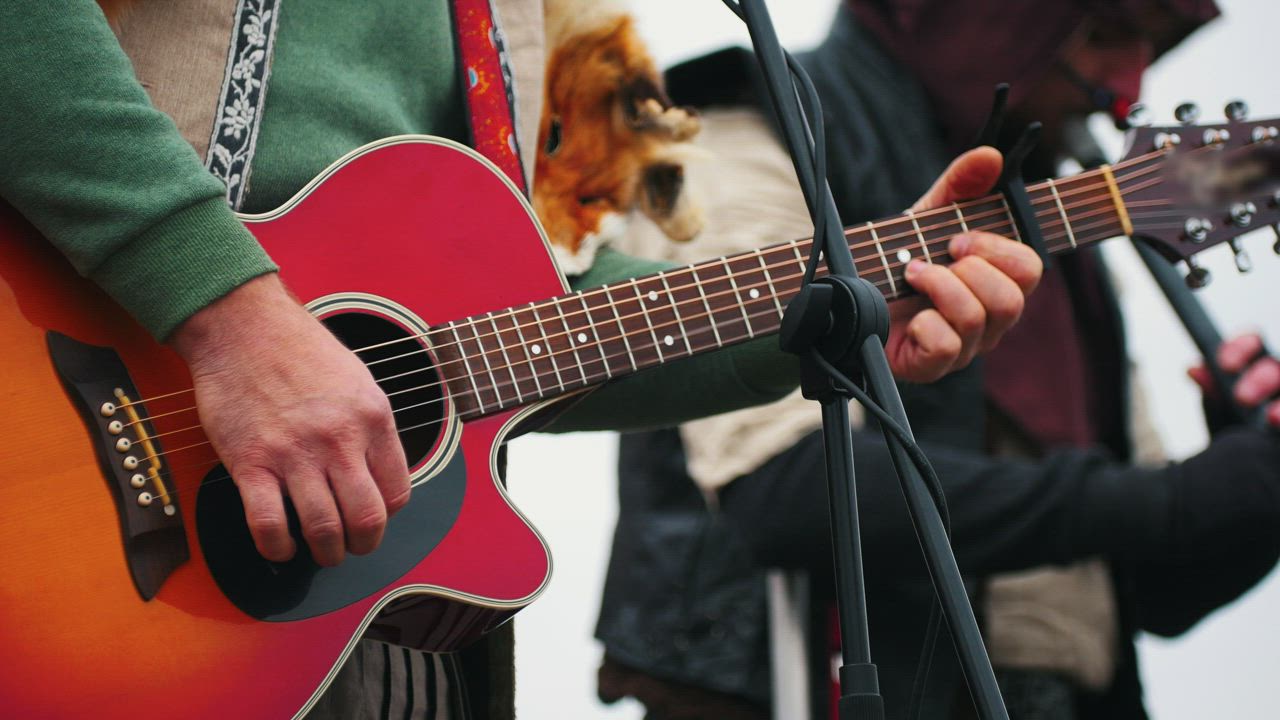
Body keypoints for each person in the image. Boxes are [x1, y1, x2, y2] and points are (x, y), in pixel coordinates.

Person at [0, 1, 1040, 718]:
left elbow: (518, 322)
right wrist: (225, 315)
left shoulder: (546, 20)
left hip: (363, 637)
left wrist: (832, 308)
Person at [595, 1, 1280, 718]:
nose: (1133, 83)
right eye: (1105, 33)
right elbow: (781, 492)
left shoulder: (1052, 210)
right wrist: (1164, 504)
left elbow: (1142, 584)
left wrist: (1240, 485)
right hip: (790, 688)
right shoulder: (752, 124)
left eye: (1152, 46)